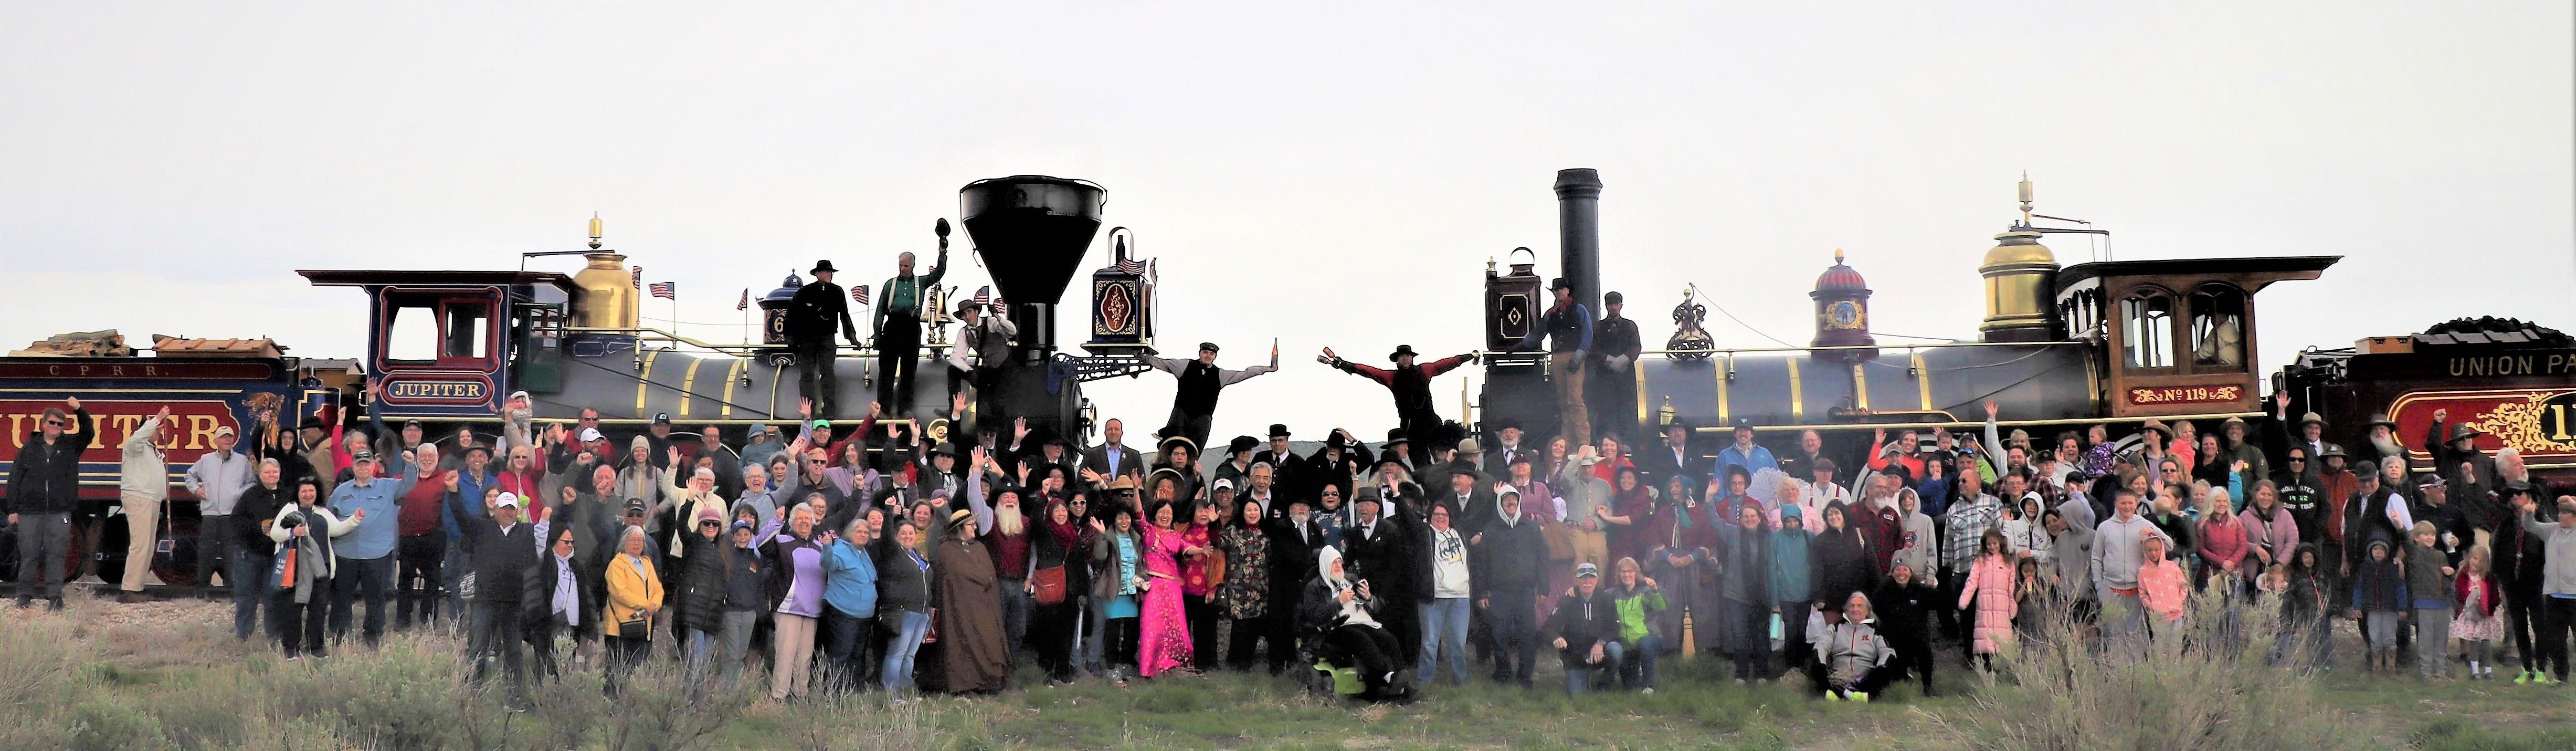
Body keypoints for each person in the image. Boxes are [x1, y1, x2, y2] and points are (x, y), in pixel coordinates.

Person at [460, 490, 538, 705]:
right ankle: (471, 697)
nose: (508, 513)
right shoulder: (483, 528)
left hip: (513, 603)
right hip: (485, 601)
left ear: (517, 512)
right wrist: (454, 492)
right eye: (504, 508)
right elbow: (461, 518)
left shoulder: (526, 532)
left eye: (511, 509)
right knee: (478, 648)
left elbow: (542, 547)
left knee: (514, 652)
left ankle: (514, 699)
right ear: (495, 510)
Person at [12, 398, 91, 610]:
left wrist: (79, 410)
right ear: (44, 424)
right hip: (30, 511)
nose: (56, 427)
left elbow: (88, 433)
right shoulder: (29, 448)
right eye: (53, 423)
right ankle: (24, 596)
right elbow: (15, 478)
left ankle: (55, 598)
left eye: (60, 424)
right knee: (29, 554)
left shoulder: (71, 447)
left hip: (59, 511)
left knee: (57, 554)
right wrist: (13, 509)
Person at [1301, 546, 1409, 701]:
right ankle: (1389, 678)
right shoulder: (1314, 587)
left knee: (1388, 638)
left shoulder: (1350, 580)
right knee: (1362, 639)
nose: (1339, 566)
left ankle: (1401, 682)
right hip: (1337, 627)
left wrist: (1369, 597)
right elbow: (1314, 616)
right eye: (1334, 563)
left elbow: (1377, 609)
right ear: (1325, 565)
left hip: (1363, 621)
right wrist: (1339, 601)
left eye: (1340, 562)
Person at [1319, 344, 1475, 451]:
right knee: (1421, 465)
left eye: (1408, 355)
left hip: (1431, 423)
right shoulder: (1391, 377)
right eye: (1402, 357)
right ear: (1397, 360)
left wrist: (1467, 357)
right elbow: (1368, 371)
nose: (1405, 358)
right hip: (1410, 427)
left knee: (1444, 458)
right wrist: (1343, 364)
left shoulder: (1424, 370)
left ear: (1412, 358)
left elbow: (1445, 364)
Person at [270, 476, 357, 659]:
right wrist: (293, 533)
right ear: (298, 493)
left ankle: (315, 647)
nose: (308, 494)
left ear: (316, 492)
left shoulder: (323, 512)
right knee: (293, 609)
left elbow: (337, 530)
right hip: (294, 568)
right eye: (304, 491)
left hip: (320, 569)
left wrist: (355, 520)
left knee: (318, 610)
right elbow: (275, 534)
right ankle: (291, 647)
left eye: (311, 491)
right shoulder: (289, 509)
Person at [925, 508, 1011, 693]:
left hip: (984, 607)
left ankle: (988, 683)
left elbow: (989, 574)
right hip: (960, 608)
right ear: (960, 527)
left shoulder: (979, 548)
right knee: (962, 643)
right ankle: (966, 684)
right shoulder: (946, 551)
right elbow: (951, 580)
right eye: (971, 525)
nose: (975, 528)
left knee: (988, 641)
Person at [328, 451, 406, 648]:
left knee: (375, 598)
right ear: (353, 467)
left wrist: (411, 465)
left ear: (374, 466)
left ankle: (373, 634)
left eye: (366, 464)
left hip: (377, 554)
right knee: (342, 598)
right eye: (359, 464)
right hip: (345, 554)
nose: (363, 468)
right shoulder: (341, 491)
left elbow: (410, 484)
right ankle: (341, 634)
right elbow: (329, 517)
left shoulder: (388, 486)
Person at [1142, 341, 1279, 452]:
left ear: (1215, 357)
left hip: (1203, 418)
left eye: (1211, 354)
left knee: (1194, 449)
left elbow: (1245, 373)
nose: (1208, 356)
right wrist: (1146, 358)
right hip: (1181, 414)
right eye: (1205, 352)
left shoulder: (1220, 375)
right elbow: (1164, 363)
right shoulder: (1185, 365)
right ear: (1200, 353)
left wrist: (1267, 369)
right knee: (1173, 444)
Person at [1472, 486, 1546, 687]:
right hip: (1499, 593)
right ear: (1500, 504)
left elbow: (1543, 559)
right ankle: (1503, 672)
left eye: (1514, 499)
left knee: (1528, 635)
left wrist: (1544, 589)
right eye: (1506, 500)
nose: (1510, 503)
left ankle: (1525, 676)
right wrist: (1481, 593)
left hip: (1526, 592)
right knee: (1500, 634)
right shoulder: (1491, 530)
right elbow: (1482, 565)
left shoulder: (1531, 528)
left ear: (1519, 502)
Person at [1516, 277, 1593, 447]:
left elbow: (1588, 334)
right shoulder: (1551, 314)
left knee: (1575, 399)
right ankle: (1568, 442)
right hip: (1557, 357)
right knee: (1563, 401)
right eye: (1557, 290)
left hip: (1574, 356)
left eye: (1562, 289)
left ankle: (1584, 442)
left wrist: (1579, 357)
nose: (1559, 292)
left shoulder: (1579, 310)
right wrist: (1520, 346)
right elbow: (1538, 334)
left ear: (1568, 291)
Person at [762, 504, 828, 700]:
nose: (804, 522)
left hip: (812, 611)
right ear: (792, 523)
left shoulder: (820, 546)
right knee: (785, 655)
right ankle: (779, 696)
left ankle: (801, 694)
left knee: (805, 658)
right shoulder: (782, 541)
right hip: (788, 608)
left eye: (808, 519)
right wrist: (776, 522)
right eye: (799, 519)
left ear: (814, 522)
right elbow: (762, 545)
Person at [185, 425, 256, 596]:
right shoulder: (206, 460)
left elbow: (252, 483)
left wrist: (239, 494)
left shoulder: (242, 462)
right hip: (210, 513)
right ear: (216, 441)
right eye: (224, 437)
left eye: (230, 437)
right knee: (206, 551)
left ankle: (231, 587)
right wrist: (196, 489)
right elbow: (189, 476)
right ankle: (202, 587)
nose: (227, 440)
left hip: (231, 513)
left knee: (231, 551)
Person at [2513, 494, 2576, 684]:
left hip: (2574, 595)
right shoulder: (2552, 531)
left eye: (2565, 513)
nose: (2560, 516)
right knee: (2555, 640)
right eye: (2560, 512)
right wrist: (2528, 514)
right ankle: (2561, 676)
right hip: (2553, 594)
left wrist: (2571, 503)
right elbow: (2531, 527)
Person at [786, 259, 862, 419]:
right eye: (827, 272)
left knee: (828, 373)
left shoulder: (837, 292)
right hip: (807, 339)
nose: (830, 274)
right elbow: (792, 315)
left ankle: (829, 410)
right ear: (818, 274)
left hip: (827, 338)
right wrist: (791, 338)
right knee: (807, 375)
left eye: (831, 272)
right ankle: (809, 411)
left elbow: (845, 316)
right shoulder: (805, 292)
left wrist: (852, 338)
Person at [116, 406, 174, 603]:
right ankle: (129, 589)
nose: (160, 433)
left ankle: (137, 587)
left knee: (148, 546)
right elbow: (138, 438)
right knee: (140, 544)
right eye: (157, 430)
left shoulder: (151, 450)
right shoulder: (135, 445)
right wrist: (158, 418)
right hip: (140, 497)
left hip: (151, 499)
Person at [2093, 488, 2168, 639]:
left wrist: (2155, 532)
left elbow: (2169, 545)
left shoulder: (2144, 524)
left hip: (2137, 589)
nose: (2126, 507)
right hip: (2111, 589)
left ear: (2136, 504)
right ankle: (2114, 663)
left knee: (2137, 635)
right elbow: (2096, 558)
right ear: (2116, 504)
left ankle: (2138, 662)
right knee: (2113, 634)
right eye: (2123, 503)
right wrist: (2099, 586)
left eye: (2130, 503)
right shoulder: (2105, 527)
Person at [819, 512, 880, 694]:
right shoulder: (840, 549)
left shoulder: (863, 553)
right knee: (840, 654)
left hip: (864, 615)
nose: (863, 535)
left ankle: (850, 689)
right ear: (849, 533)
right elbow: (828, 564)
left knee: (856, 654)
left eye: (866, 533)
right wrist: (827, 548)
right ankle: (833, 692)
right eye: (859, 531)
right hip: (844, 613)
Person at [526, 526, 595, 686]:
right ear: (554, 543)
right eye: (566, 542)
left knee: (568, 677)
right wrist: (544, 520)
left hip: (573, 630)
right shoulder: (546, 562)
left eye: (572, 542)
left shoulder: (577, 567)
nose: (570, 545)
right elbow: (540, 541)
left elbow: (587, 603)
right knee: (546, 673)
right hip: (549, 628)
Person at [1031, 499, 1090, 684]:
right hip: (1051, 589)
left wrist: (1083, 591)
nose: (1062, 514)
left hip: (1071, 591)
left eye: (1064, 510)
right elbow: (1035, 519)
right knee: (1048, 634)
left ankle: (1063, 672)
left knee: (1066, 634)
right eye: (1056, 511)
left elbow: (1081, 566)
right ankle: (1046, 672)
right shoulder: (1045, 532)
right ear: (1049, 513)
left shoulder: (1074, 536)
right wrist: (1043, 496)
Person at [393, 445, 452, 630]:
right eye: (423, 456)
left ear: (437, 457)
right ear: (417, 458)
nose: (427, 459)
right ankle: (403, 618)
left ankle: (428, 617)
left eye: (431, 456)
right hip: (408, 536)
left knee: (433, 579)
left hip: (433, 536)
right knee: (405, 578)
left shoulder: (445, 479)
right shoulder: (404, 479)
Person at [232, 459, 291, 639]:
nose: (271, 475)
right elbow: (236, 521)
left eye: (275, 472)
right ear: (260, 474)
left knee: (273, 598)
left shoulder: (288, 496)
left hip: (275, 556)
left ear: (279, 474)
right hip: (250, 554)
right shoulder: (249, 496)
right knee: (246, 599)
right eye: (267, 472)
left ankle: (273, 637)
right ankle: (243, 636)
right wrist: (259, 528)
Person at [1543, 562, 1622, 696]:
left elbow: (1614, 628)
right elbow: (1549, 627)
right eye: (1583, 578)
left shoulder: (1607, 599)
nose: (1587, 582)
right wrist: (1556, 638)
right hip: (1575, 657)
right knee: (1576, 696)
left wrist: (1600, 644)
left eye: (1591, 577)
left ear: (1597, 579)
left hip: (1600, 652)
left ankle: (1605, 684)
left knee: (1616, 650)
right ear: (1576, 580)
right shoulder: (1567, 601)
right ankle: (1584, 677)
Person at [1715, 504, 1772, 683]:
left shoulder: (1770, 538)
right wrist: (1709, 499)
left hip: (1762, 595)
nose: (1750, 519)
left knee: (1761, 635)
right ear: (1741, 520)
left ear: (1760, 518)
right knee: (1740, 635)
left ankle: (1762, 674)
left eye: (1753, 516)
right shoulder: (1733, 534)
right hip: (1736, 594)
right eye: (1746, 517)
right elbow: (1715, 522)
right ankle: (1741, 673)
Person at [603, 525, 663, 697]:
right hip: (620, 628)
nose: (637, 544)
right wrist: (646, 605)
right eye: (633, 540)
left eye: (640, 540)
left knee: (638, 672)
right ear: (624, 542)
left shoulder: (648, 564)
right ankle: (612, 706)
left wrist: (654, 606)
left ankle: (633, 707)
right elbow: (620, 593)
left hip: (643, 627)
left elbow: (658, 590)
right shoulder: (617, 564)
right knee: (617, 671)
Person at [1417, 503, 1472, 686]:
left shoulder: (1460, 534)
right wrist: (1397, 495)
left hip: (1461, 597)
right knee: (1430, 643)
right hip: (1434, 598)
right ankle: (1425, 681)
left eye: (1445, 515)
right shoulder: (1425, 535)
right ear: (1430, 516)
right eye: (1437, 514)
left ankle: (1460, 679)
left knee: (1458, 642)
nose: (1441, 518)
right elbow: (1409, 520)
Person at [1807, 591, 1895, 702]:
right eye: (1852, 606)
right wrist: (1821, 663)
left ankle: (1839, 694)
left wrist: (1881, 667)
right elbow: (1822, 645)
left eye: (1860, 606)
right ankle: (1851, 695)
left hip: (1865, 678)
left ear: (1867, 611)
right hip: (1838, 677)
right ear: (1847, 610)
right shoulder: (1835, 628)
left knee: (1889, 668)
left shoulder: (1875, 632)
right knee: (1816, 664)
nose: (1855, 609)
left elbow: (1887, 652)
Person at [1871, 562, 1937, 696]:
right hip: (1896, 637)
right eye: (1898, 569)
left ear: (1911, 572)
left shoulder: (1921, 590)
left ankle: (1928, 686)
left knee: (1925, 651)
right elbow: (1878, 609)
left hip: (1918, 636)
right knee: (1895, 667)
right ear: (1892, 572)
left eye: (1905, 569)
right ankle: (1902, 682)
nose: (1902, 573)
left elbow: (1940, 601)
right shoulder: (1883, 591)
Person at [1587, 291, 1644, 444]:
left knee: (1627, 410)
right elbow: (1593, 349)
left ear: (1621, 306)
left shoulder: (1630, 326)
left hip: (1625, 376)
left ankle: (1627, 443)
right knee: (1606, 411)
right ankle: (1607, 442)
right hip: (1604, 377)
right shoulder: (1598, 327)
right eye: (1611, 304)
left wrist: (1623, 359)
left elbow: (1636, 346)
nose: (1613, 307)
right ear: (1607, 306)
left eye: (1616, 304)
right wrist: (1609, 360)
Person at [1955, 528, 2016, 670]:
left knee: (2003, 641)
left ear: (2000, 543)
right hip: (1984, 606)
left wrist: (2012, 605)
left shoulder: (2009, 562)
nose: (1992, 547)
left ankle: (2002, 672)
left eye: (1995, 543)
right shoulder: (1980, 561)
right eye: (1989, 544)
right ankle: (1987, 670)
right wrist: (1964, 599)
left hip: (2002, 606)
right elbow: (1972, 581)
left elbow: (2011, 586)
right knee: (1985, 638)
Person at [1604, 556, 1666, 692]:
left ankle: (1649, 686)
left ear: (1636, 573)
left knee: (1646, 644)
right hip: (1625, 644)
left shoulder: (1645, 591)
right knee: (1630, 686)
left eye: (1630, 571)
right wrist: (1574, 591)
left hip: (1648, 637)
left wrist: (1655, 590)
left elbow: (1661, 607)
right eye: (1623, 571)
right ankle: (1636, 672)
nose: (1627, 575)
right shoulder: (1612, 594)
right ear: (1619, 574)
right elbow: (1596, 597)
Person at [2350, 535, 2408, 675]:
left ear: (2386, 552)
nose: (2378, 552)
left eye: (2382, 550)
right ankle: (2377, 666)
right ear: (2371, 551)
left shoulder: (2393, 568)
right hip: (2372, 609)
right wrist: (2357, 606)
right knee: (2374, 636)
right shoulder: (2365, 568)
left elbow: (2401, 589)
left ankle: (2391, 665)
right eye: (2375, 549)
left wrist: (2403, 608)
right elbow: (2359, 588)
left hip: (2390, 608)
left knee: (2390, 636)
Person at [2453, 545, 2503, 680]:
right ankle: (2475, 671)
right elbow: (2461, 594)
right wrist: (2472, 600)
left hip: (2485, 615)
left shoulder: (2488, 578)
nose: (2477, 563)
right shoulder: (2463, 575)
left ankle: (2488, 670)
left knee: (2486, 642)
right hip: (2470, 615)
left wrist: (2487, 606)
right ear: (2469, 558)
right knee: (2474, 642)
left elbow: (2495, 597)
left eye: (2481, 561)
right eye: (2475, 559)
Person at [2137, 532, 2188, 634]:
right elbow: (2143, 593)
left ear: (2162, 550)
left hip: (2176, 614)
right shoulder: (2143, 571)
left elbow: (2184, 586)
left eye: (2157, 550)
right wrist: (2152, 606)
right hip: (2158, 617)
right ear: (2145, 552)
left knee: (2175, 646)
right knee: (2160, 646)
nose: (2154, 553)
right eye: (2150, 550)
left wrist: (2179, 601)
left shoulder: (2172, 567)